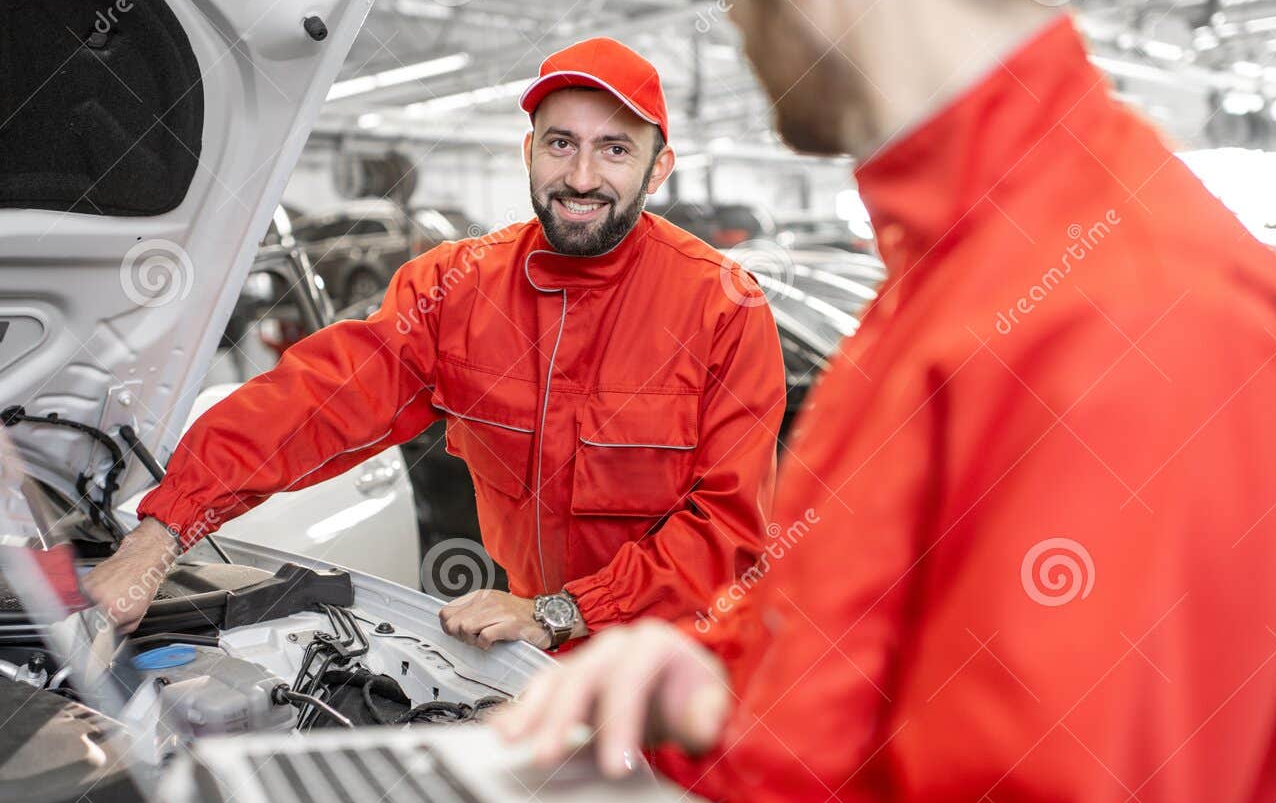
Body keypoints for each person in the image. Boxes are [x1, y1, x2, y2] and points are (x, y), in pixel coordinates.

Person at [496, 0, 1276, 803]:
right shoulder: (966, 267)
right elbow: (879, 705)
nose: (732, 5)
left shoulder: (1122, 328)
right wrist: (702, 691)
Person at [85, 38, 786, 653]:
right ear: (530, 151)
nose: (580, 178)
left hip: (684, 660)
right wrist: (161, 535)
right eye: (561, 143)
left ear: (658, 169)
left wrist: (563, 611)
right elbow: (315, 401)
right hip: (537, 651)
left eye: (614, 149)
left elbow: (727, 531)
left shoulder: (722, 305)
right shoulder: (457, 287)